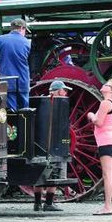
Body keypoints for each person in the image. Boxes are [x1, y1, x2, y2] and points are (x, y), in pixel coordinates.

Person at [87, 78, 112, 215]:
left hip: (106, 141)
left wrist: (91, 115)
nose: (103, 85)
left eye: (107, 85)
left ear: (111, 90)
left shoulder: (105, 103)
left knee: (107, 175)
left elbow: (98, 122)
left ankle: (107, 207)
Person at [33, 80, 72, 211]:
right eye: (64, 90)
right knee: (56, 174)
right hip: (56, 146)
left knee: (38, 174)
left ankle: (37, 203)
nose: (65, 92)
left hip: (41, 145)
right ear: (59, 90)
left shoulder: (41, 102)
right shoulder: (60, 104)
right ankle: (48, 203)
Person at [0, 19, 31, 111]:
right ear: (21, 28)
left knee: (10, 111)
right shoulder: (27, 42)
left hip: (7, 82)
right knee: (25, 111)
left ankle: (12, 125)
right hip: (23, 81)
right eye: (25, 31)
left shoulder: (0, 39)